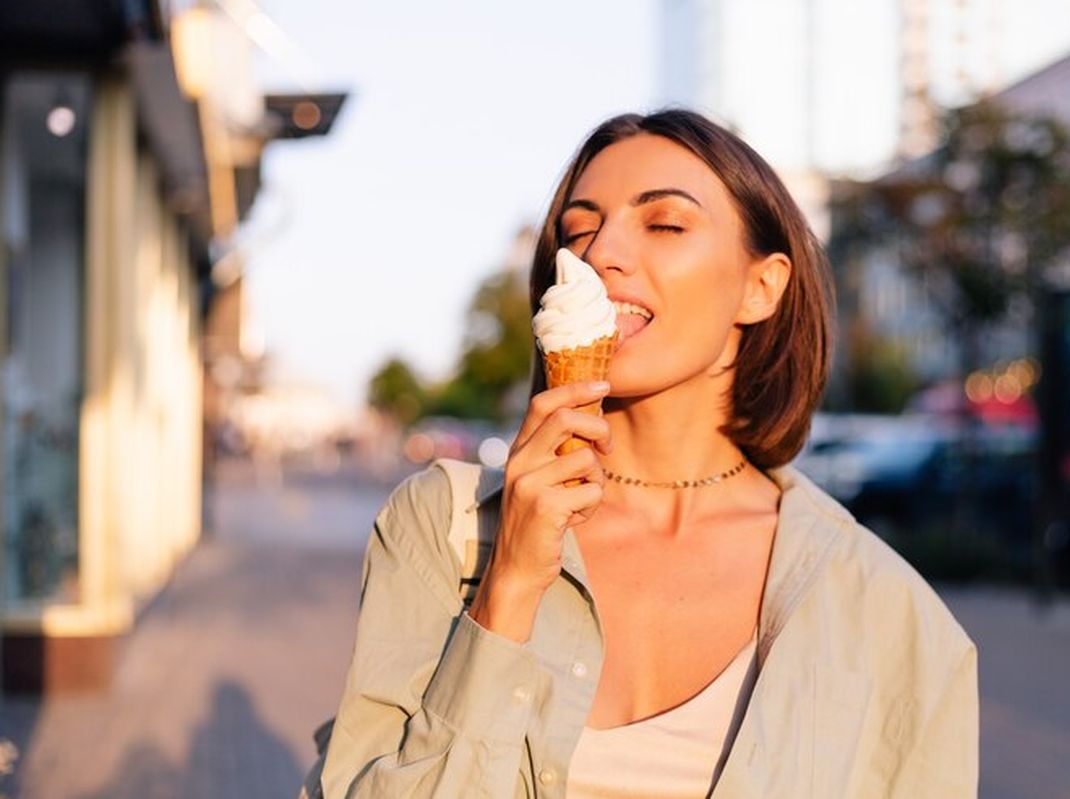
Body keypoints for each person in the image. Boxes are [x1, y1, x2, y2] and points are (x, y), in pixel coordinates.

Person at [306, 109, 979, 798]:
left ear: (761, 287)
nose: (600, 253)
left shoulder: (891, 616)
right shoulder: (444, 528)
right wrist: (507, 588)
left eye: (664, 224)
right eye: (579, 230)